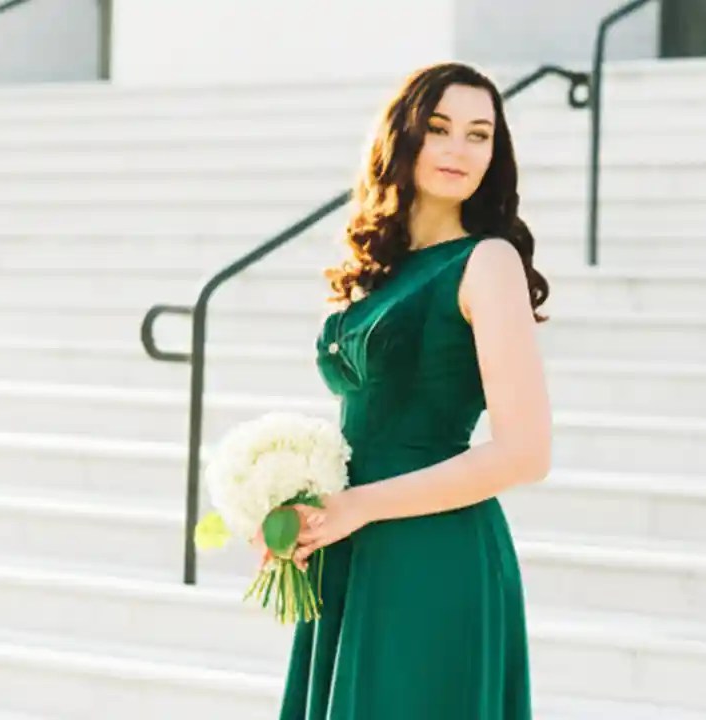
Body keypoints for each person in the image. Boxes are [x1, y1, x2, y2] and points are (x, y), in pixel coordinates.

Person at [262, 60, 553, 720]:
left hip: (433, 550)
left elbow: (526, 453)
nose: (459, 149)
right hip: (352, 544)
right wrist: (296, 515)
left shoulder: (488, 262)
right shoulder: (377, 272)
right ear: (403, 136)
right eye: (441, 127)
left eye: (479, 135)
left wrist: (359, 505)